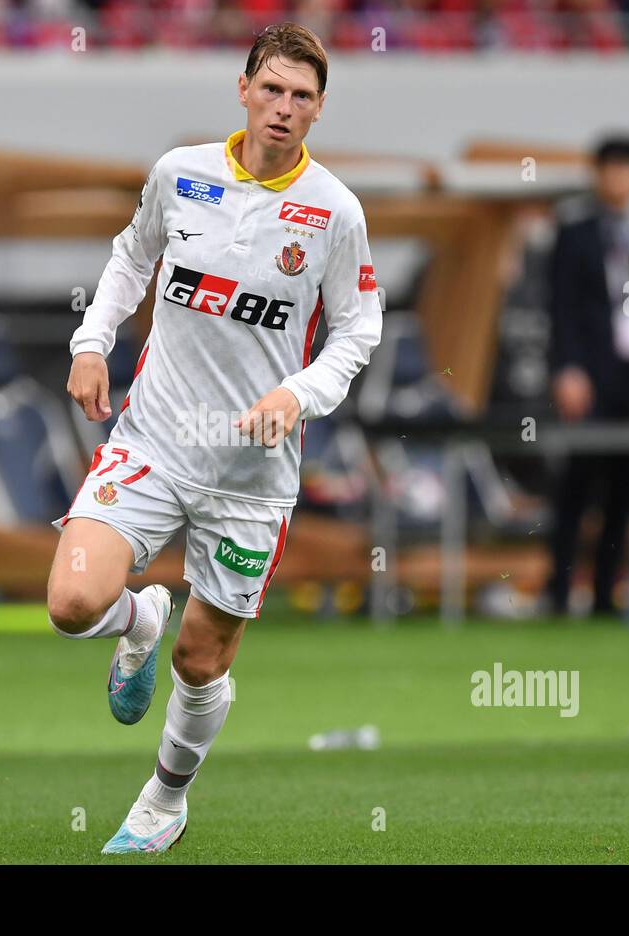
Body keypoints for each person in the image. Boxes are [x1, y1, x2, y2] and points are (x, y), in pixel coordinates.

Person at [46, 23, 382, 853]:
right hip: (155, 438)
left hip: (251, 473)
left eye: (302, 96)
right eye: (271, 89)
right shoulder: (180, 174)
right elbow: (131, 260)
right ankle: (137, 622)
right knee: (71, 603)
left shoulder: (334, 211)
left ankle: (165, 798)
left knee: (202, 663)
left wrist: (297, 394)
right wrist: (93, 343)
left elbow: (358, 328)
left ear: (319, 109)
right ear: (243, 89)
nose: (284, 107)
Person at [545, 135, 629, 615]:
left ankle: (608, 594)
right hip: (592, 374)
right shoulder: (576, 234)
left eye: (627, 169)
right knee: (577, 488)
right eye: (610, 169)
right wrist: (568, 368)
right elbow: (562, 308)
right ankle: (561, 590)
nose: (618, 179)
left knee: (625, 490)